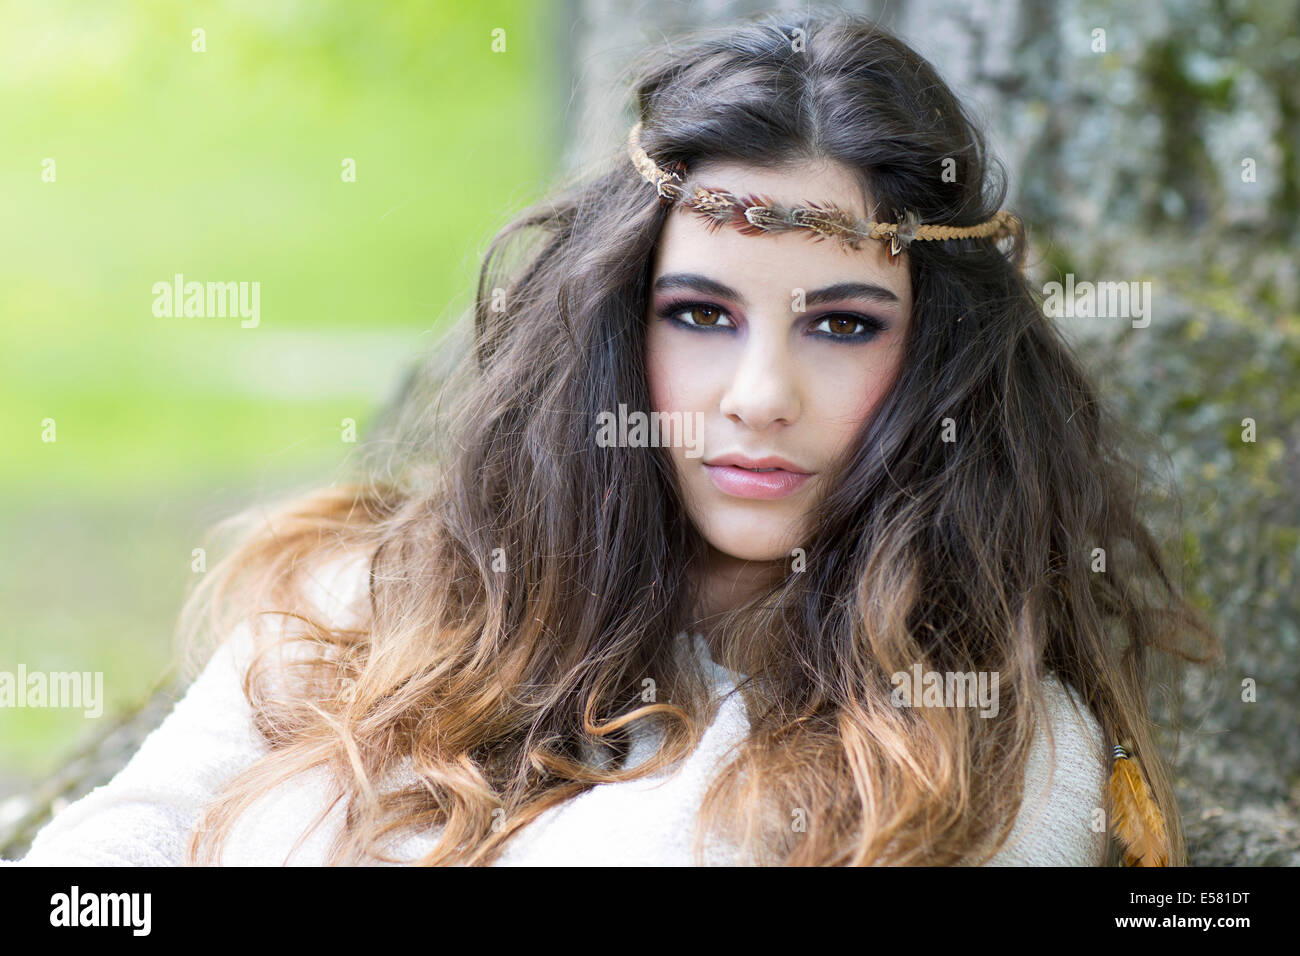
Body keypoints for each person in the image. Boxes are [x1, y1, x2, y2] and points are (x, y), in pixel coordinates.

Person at [4, 11, 1217, 867]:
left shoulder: (988, 751)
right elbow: (113, 853)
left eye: (841, 325)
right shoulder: (375, 590)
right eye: (699, 313)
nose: (756, 394)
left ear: (939, 363)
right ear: (610, 330)